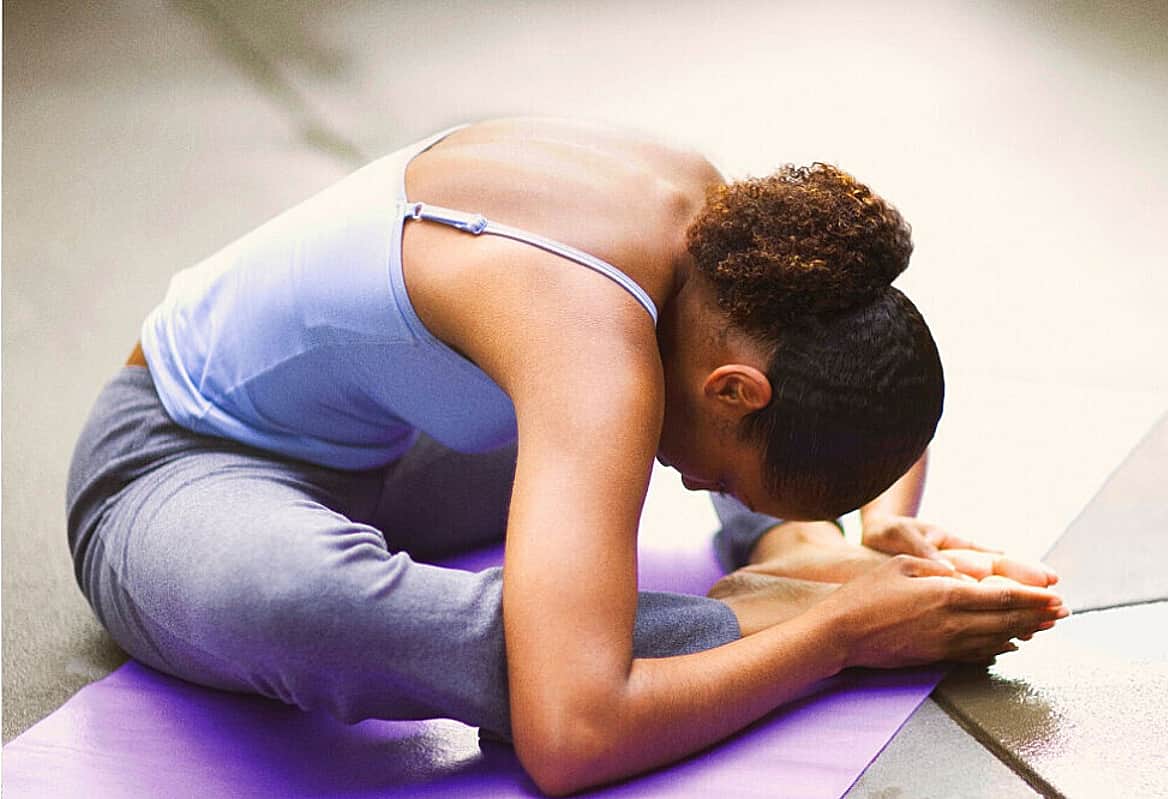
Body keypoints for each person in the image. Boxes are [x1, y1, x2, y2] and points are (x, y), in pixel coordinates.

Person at [66, 118, 1065, 796]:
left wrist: (872, 530)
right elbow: (571, 738)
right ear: (732, 392)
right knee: (301, 605)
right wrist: (839, 632)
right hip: (174, 463)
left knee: (693, 479)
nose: (688, 482)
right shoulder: (588, 343)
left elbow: (876, 386)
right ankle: (779, 597)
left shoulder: (736, 258)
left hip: (409, 440)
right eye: (719, 475)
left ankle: (805, 549)